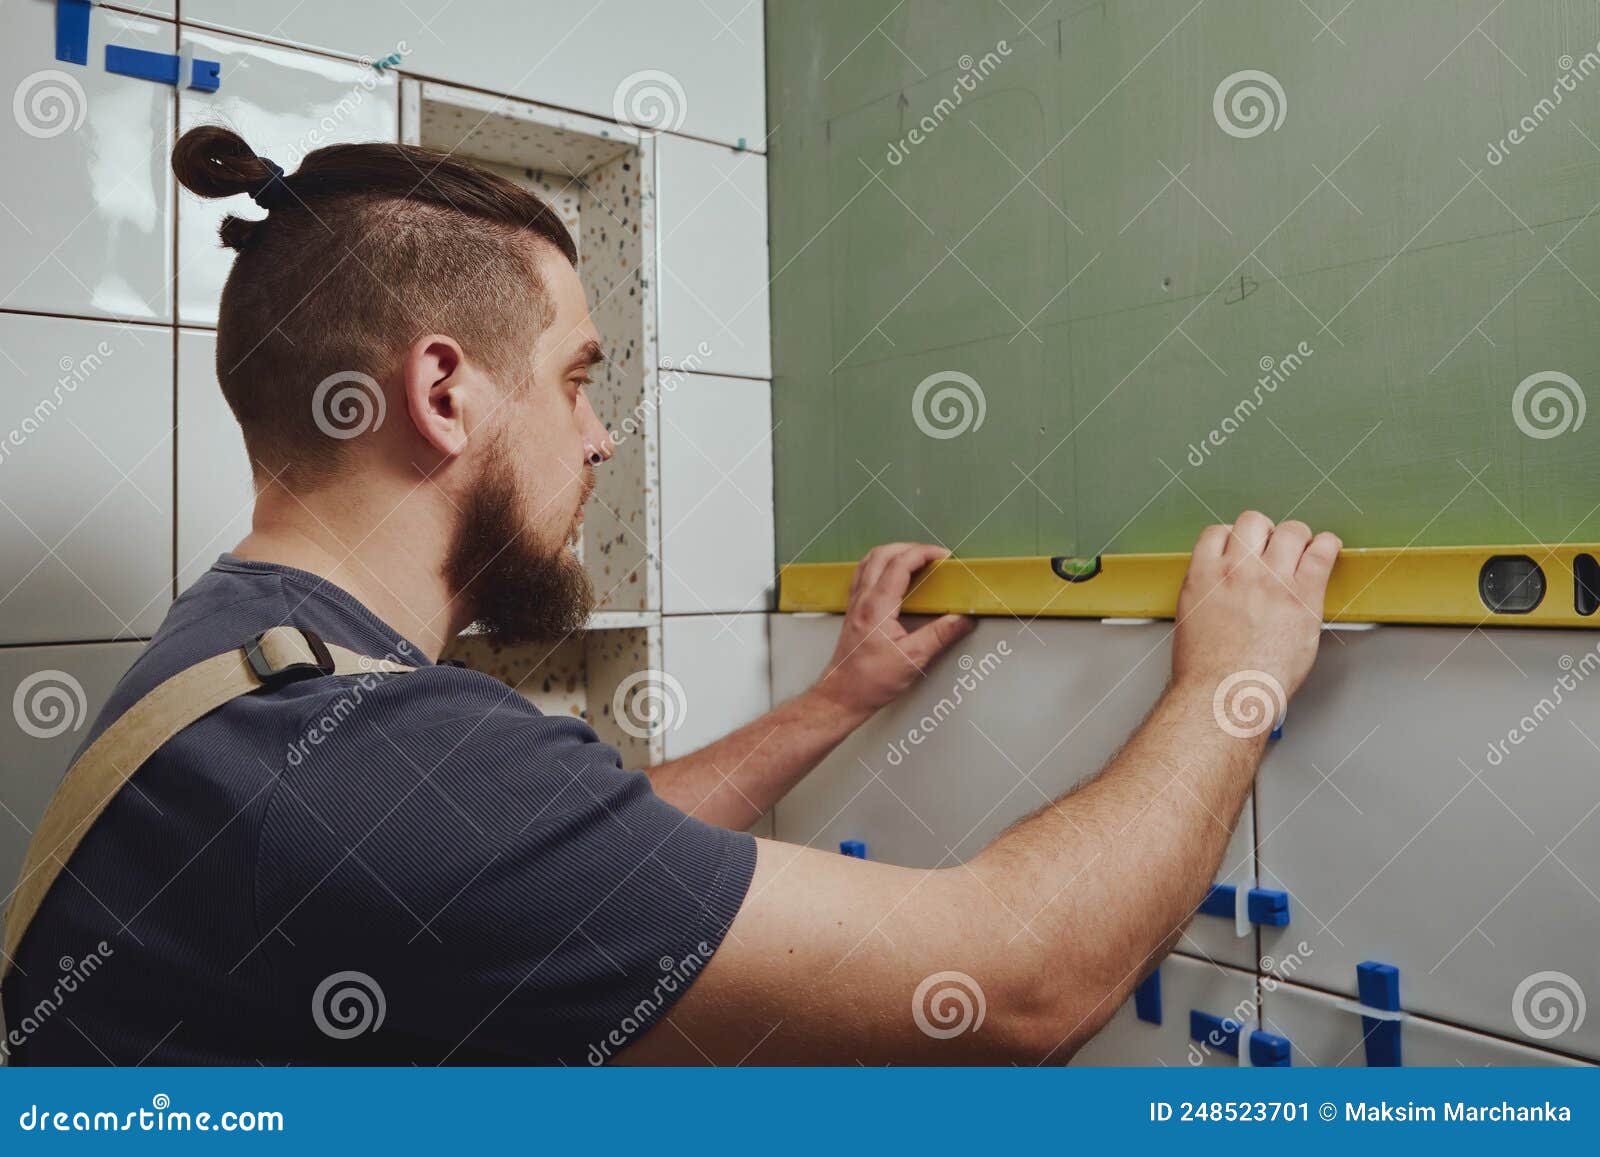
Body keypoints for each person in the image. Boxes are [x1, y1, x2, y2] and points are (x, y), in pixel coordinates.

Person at [0, 127, 1340, 1065]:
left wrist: (832, 701)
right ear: (446, 391)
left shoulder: (250, 658)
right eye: (579, 380)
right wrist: (1235, 678)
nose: (600, 438)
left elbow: (576, 858)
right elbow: (1019, 984)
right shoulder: (368, 764)